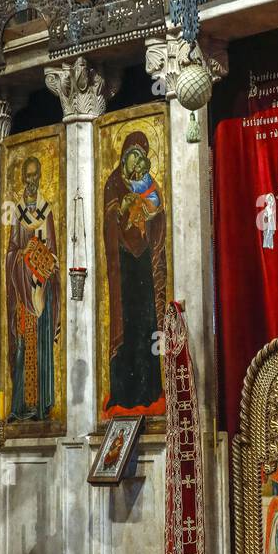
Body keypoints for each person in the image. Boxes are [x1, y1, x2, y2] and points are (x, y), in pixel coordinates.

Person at [103, 131, 169, 415]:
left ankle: (148, 388)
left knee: (146, 324)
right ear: (124, 157)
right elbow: (109, 221)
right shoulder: (113, 183)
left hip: (144, 262)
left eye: (139, 157)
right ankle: (123, 392)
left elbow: (159, 216)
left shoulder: (151, 184)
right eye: (131, 157)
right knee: (126, 324)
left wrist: (151, 214)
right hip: (123, 266)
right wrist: (121, 211)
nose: (135, 163)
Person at [6, 157, 60, 422]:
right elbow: (11, 253)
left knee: (40, 347)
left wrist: (41, 260)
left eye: (35, 175)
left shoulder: (46, 211)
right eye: (26, 176)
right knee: (22, 347)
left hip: (40, 291)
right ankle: (21, 407)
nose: (30, 180)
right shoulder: (18, 213)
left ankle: (40, 406)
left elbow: (53, 254)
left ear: (40, 177)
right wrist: (21, 255)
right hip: (22, 291)